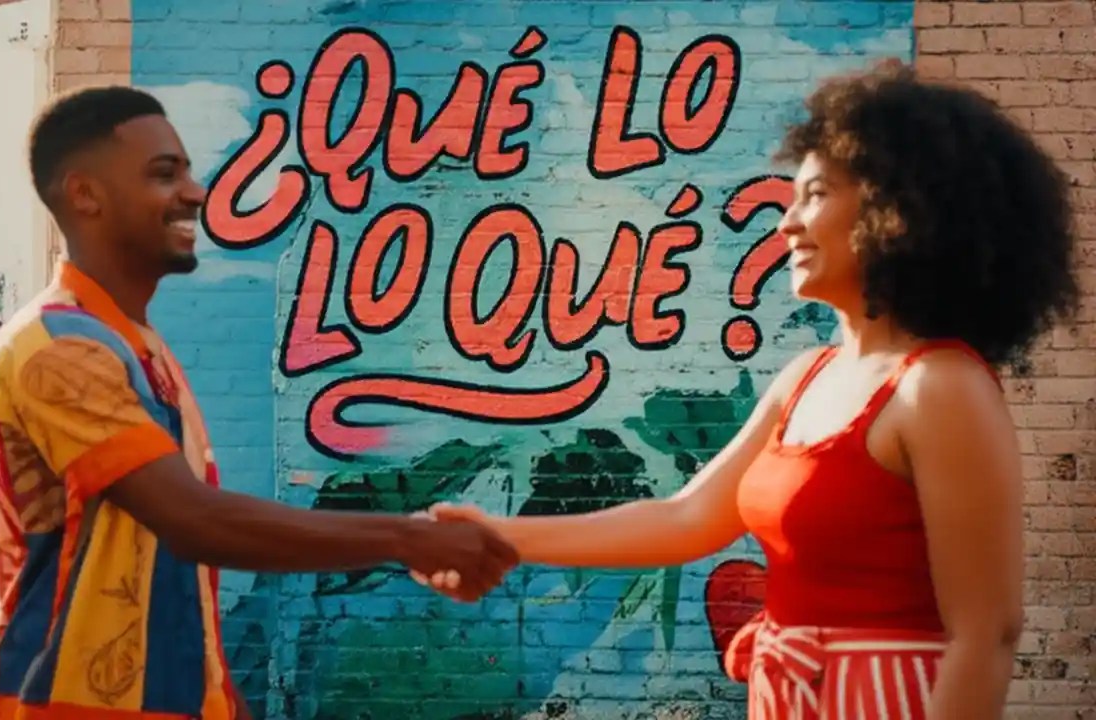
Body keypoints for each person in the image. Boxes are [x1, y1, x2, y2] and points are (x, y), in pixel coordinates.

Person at [415, 59, 1079, 719]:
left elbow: (987, 634)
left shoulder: (940, 386)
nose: (786, 224)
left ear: (900, 209)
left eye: (815, 195)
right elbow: (686, 519)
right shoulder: (806, 377)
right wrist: (493, 535)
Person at [0, 86, 518, 720]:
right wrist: (408, 537)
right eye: (164, 173)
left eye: (186, 169)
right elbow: (194, 522)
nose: (196, 191)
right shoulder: (58, 347)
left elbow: (170, 565)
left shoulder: (136, 346)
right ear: (85, 194)